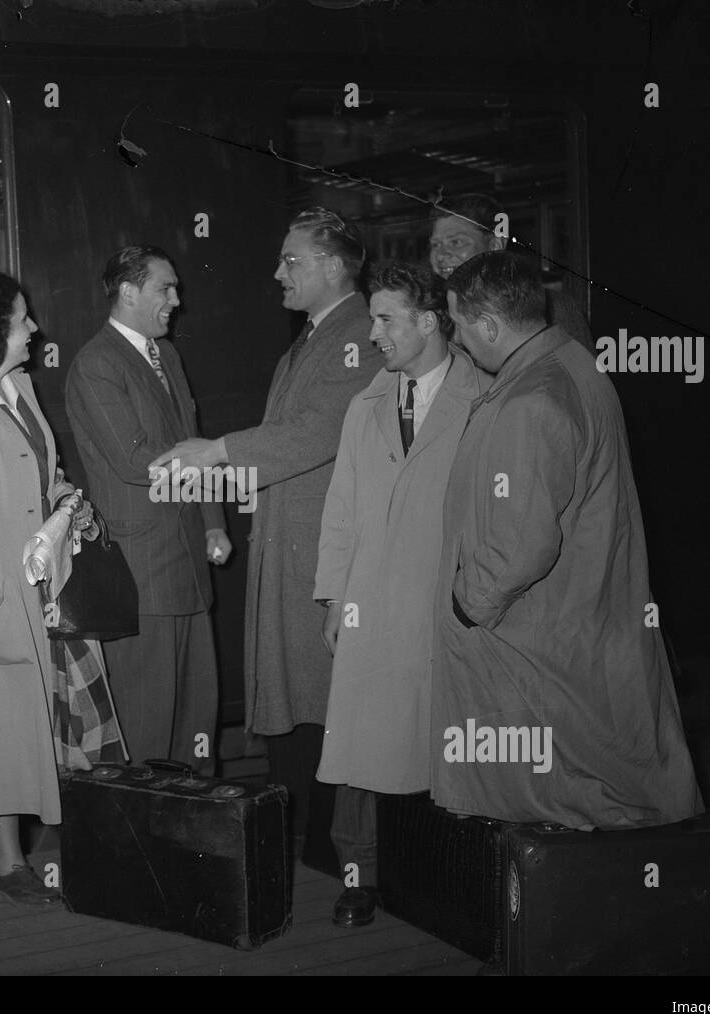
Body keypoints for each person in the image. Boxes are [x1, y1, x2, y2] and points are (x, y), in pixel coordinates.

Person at [434, 252, 702, 829]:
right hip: (585, 621)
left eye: (457, 324)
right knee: (614, 781)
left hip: (540, 640)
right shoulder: (571, 365)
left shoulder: (530, 399)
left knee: (573, 802)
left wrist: (466, 605)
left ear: (489, 326)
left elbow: (521, 544)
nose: (455, 340)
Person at [152, 208, 378, 868]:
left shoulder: (358, 334)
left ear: (335, 268)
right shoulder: (311, 340)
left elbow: (316, 432)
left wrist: (217, 451)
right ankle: (315, 845)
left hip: (324, 554)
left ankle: (338, 854)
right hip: (296, 548)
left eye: (293, 260)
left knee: (325, 702)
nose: (278, 272)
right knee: (306, 705)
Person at [0, 274, 121, 905]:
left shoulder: (21, 387)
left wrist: (69, 505)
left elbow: (48, 475)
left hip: (51, 591)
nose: (34, 329)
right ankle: (8, 864)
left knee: (58, 725)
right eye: (21, 320)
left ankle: (70, 853)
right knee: (2, 730)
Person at [314, 262, 490, 927]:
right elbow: (342, 506)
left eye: (386, 317)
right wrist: (334, 596)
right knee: (360, 748)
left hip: (450, 605)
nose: (373, 331)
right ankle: (357, 876)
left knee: (448, 742)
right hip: (371, 603)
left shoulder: (484, 400)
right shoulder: (368, 402)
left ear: (429, 321)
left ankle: (454, 873)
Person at [65, 246, 230, 771]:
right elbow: (135, 460)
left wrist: (212, 523)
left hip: (187, 562)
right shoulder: (95, 364)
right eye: (166, 288)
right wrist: (224, 458)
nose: (177, 300)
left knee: (195, 718)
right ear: (129, 292)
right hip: (142, 571)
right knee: (148, 721)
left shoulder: (166, 356)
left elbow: (190, 437)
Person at [428, 192, 593, 349]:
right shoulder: (432, 313)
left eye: (456, 242)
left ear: (495, 246)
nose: (441, 255)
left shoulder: (552, 307)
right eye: (435, 245)